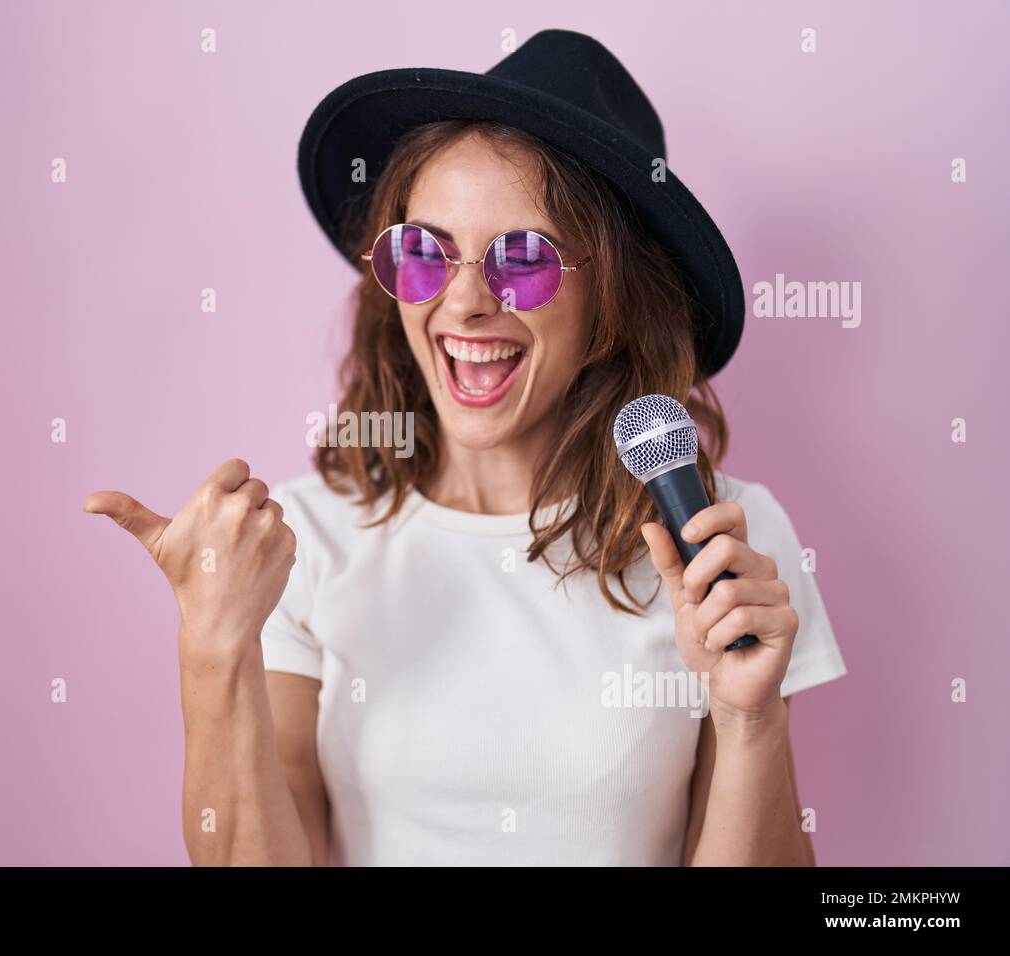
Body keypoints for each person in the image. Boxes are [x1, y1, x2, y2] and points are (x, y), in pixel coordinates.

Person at [84, 30, 847, 866]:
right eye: (425, 251)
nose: (466, 301)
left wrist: (749, 719)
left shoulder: (720, 546)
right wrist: (213, 645)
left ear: (614, 300)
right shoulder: (301, 543)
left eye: (524, 256)